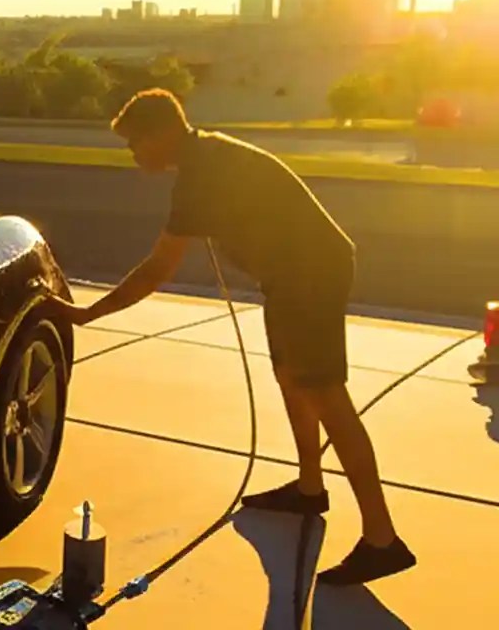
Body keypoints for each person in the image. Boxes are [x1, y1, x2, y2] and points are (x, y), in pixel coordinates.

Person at [58, 88, 416, 585]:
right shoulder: (202, 159)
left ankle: (382, 540)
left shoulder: (200, 177)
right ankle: (310, 488)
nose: (133, 153)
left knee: (327, 397)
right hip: (292, 275)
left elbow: (157, 269)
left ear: (163, 134)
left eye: (136, 142)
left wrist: (87, 313)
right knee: (292, 378)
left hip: (310, 274)